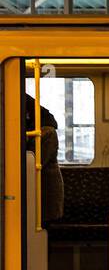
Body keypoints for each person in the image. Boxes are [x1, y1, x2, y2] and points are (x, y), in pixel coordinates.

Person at [23, 94, 64, 224]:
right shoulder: (36, 131)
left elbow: (35, 161)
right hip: (36, 186)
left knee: (43, 227)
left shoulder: (47, 132)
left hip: (45, 187)